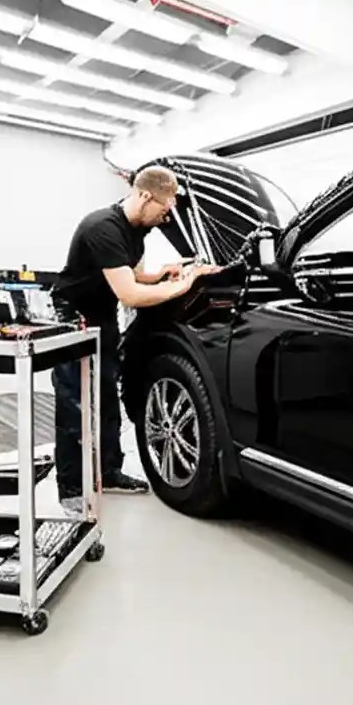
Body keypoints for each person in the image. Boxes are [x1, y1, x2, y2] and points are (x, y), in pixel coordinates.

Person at [50, 166, 217, 512]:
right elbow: (131, 295)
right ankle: (71, 488)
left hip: (101, 313)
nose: (166, 217)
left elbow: (136, 275)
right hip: (73, 314)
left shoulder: (137, 228)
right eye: (164, 209)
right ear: (144, 195)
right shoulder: (102, 227)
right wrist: (185, 284)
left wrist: (164, 273)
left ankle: (109, 472)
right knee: (75, 402)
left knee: (107, 394)